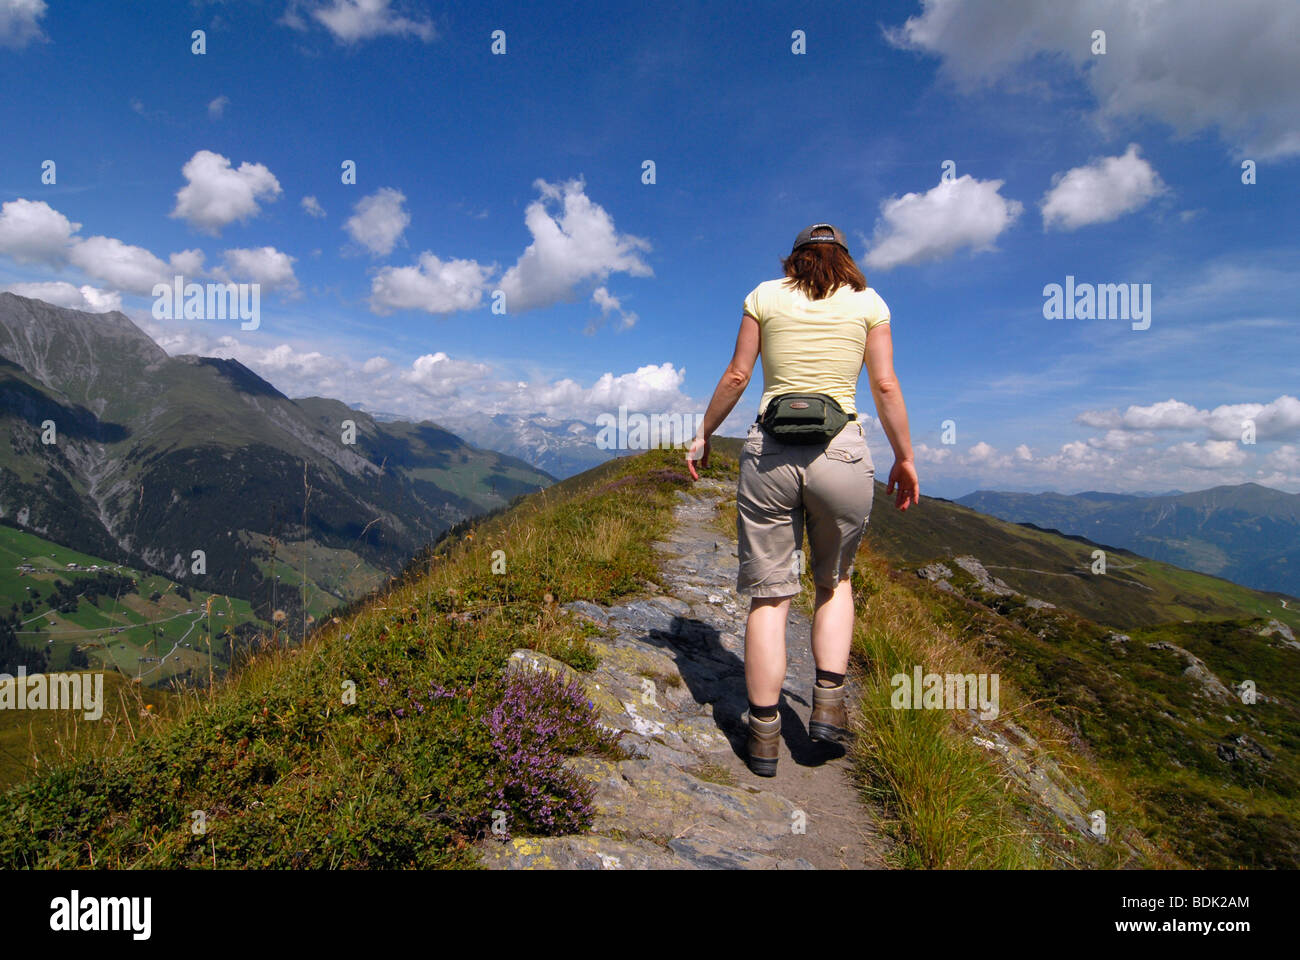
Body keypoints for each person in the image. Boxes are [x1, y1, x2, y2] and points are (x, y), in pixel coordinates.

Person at [685, 223, 919, 777]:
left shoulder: (763, 296)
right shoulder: (869, 302)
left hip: (769, 453)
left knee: (770, 595)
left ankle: (763, 736)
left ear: (793, 259)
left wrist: (704, 432)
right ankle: (828, 711)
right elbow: (885, 386)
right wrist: (904, 457)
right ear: (845, 260)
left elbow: (739, 373)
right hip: (841, 453)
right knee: (833, 582)